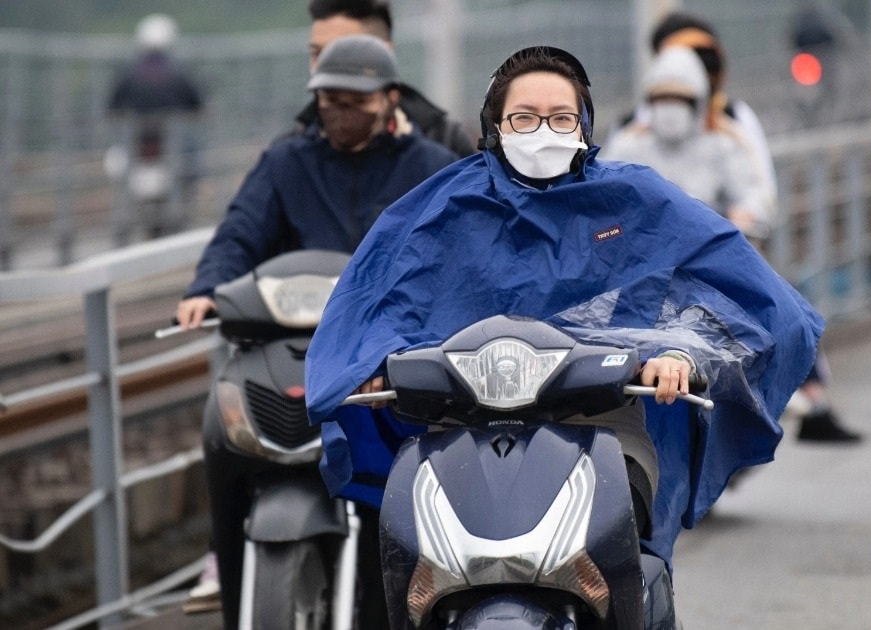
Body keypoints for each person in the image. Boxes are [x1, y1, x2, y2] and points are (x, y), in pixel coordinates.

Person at [302, 46, 824, 622]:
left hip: (600, 429)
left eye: (561, 117)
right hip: (458, 429)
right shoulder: (442, 208)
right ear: (493, 126)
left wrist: (679, 352)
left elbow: (737, 291)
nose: (542, 131)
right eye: (523, 117)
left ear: (585, 125)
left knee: (629, 570)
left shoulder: (634, 200)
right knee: (406, 566)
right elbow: (376, 299)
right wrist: (374, 357)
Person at [176, 35, 457, 627]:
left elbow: (458, 251)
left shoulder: (428, 166)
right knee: (221, 435)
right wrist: (207, 287)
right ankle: (223, 567)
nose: (338, 111)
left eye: (353, 100)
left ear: (388, 99)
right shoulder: (287, 163)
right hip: (293, 347)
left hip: (388, 355)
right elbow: (240, 231)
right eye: (327, 99)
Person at [642, 10, 860, 443]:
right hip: (651, 261)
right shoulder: (636, 128)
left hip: (718, 251)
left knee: (780, 304)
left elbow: (759, 191)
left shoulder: (733, 124)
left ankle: (807, 395)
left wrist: (738, 225)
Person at [603, 46, 771, 238]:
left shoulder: (722, 146)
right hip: (641, 252)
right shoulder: (627, 145)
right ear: (649, 101)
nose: (670, 108)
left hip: (707, 251)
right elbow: (601, 197)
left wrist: (746, 213)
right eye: (662, 98)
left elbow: (753, 192)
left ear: (697, 103)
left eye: (680, 99)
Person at [300, 0, 477, 157]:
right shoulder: (290, 159)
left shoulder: (445, 144)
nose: (326, 66)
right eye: (317, 53)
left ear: (386, 53)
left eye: (344, 51)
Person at [106, 13, 204, 238]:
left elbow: (112, 108)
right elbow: (196, 105)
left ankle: (131, 220)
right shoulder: (177, 74)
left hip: (138, 145)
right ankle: (183, 207)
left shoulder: (129, 74)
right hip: (170, 147)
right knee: (193, 158)